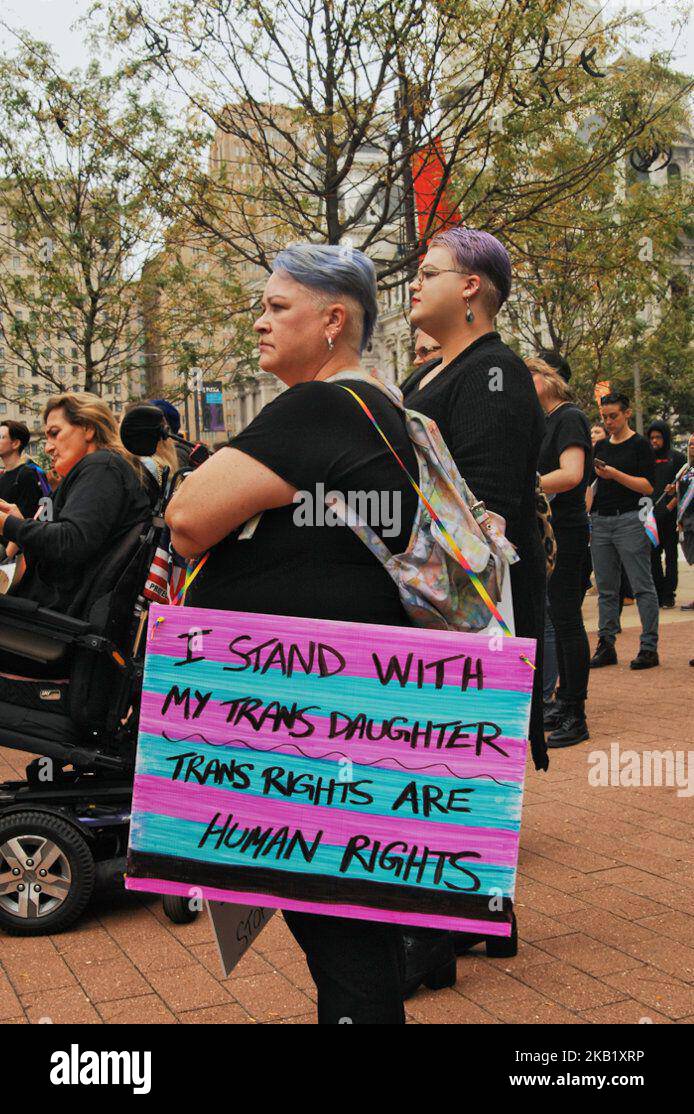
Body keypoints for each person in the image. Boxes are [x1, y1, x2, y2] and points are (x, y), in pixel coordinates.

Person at [166, 243, 419, 1025]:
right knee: (350, 924)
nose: (260, 321)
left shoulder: (322, 405)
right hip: (352, 700)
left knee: (339, 928)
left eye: (278, 307)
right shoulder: (379, 407)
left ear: (332, 321)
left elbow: (186, 518)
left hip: (315, 710)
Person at [401, 227, 547, 990]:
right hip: (433, 591)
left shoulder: (494, 372)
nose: (414, 283)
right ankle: (483, 913)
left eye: (429, 272)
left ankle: (432, 944)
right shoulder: (436, 370)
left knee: (444, 759)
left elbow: (485, 509)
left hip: (461, 600)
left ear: (472, 287)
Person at [0, 393, 151, 630]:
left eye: (54, 433)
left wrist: (7, 524)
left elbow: (71, 541)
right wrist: (20, 522)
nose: (48, 447)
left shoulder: (101, 468)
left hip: (51, 624)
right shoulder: (97, 470)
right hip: (47, 613)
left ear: (88, 429)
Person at [528, 359, 592, 747]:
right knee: (559, 615)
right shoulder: (547, 420)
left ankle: (575, 711)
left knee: (567, 620)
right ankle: (562, 701)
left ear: (548, 378)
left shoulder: (569, 417)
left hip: (566, 531)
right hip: (551, 531)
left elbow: (571, 474)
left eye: (528, 375)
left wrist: (527, 485)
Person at [589, 392, 659, 670]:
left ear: (627, 413)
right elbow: (591, 485)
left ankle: (648, 646)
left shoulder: (640, 445)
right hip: (601, 519)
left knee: (642, 586)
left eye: (613, 416)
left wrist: (614, 474)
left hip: (630, 518)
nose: (608, 422)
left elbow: (648, 486)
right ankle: (606, 643)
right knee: (606, 588)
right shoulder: (601, 446)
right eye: (605, 417)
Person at [647, 419, 686, 609]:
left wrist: (671, 505)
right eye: (651, 437)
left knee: (670, 556)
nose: (654, 441)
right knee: (653, 556)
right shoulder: (646, 458)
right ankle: (658, 591)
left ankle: (669, 593)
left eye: (658, 437)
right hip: (650, 515)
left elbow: (685, 487)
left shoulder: (677, 458)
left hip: (669, 515)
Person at [0, 420, 43, 522]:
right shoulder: (2, 477)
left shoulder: (27, 474)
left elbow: (32, 520)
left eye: (1, 437)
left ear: (15, 444)